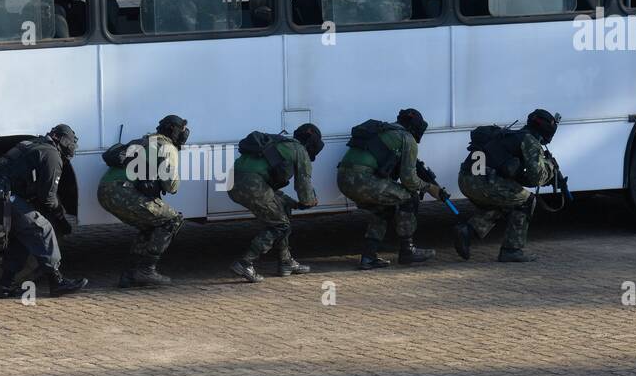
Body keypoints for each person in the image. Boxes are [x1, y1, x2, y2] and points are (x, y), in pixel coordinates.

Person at [0, 124, 87, 298]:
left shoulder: (34, 144)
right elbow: (48, 199)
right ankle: (57, 282)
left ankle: (5, 285)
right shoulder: (52, 155)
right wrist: (61, 217)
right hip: (1, 197)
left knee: (23, 233)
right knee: (42, 229)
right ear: (63, 140)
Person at [336, 108, 446, 269]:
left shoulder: (382, 130)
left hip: (343, 179)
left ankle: (368, 257)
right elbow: (409, 180)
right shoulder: (406, 138)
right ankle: (407, 250)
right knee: (409, 198)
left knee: (385, 208)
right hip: (363, 180)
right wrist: (429, 188)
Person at [456, 109, 559, 263]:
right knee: (527, 201)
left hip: (466, 179)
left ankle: (468, 231)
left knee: (510, 200)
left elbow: (518, 177)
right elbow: (537, 177)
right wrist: (551, 167)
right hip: (483, 183)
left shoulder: (511, 136)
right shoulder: (530, 141)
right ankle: (512, 250)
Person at [97, 114, 188, 288]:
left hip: (105, 190)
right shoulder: (166, 147)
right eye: (182, 129)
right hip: (123, 191)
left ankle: (130, 275)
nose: (185, 134)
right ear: (173, 130)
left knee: (151, 224)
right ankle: (147, 270)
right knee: (172, 220)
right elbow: (172, 186)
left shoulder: (142, 140)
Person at [228, 123, 322, 283]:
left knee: (282, 211)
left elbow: (270, 188)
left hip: (232, 182)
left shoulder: (279, 143)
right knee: (280, 224)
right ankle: (245, 263)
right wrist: (309, 201)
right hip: (254, 184)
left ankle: (286, 261)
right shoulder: (299, 150)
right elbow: (303, 184)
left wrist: (291, 202)